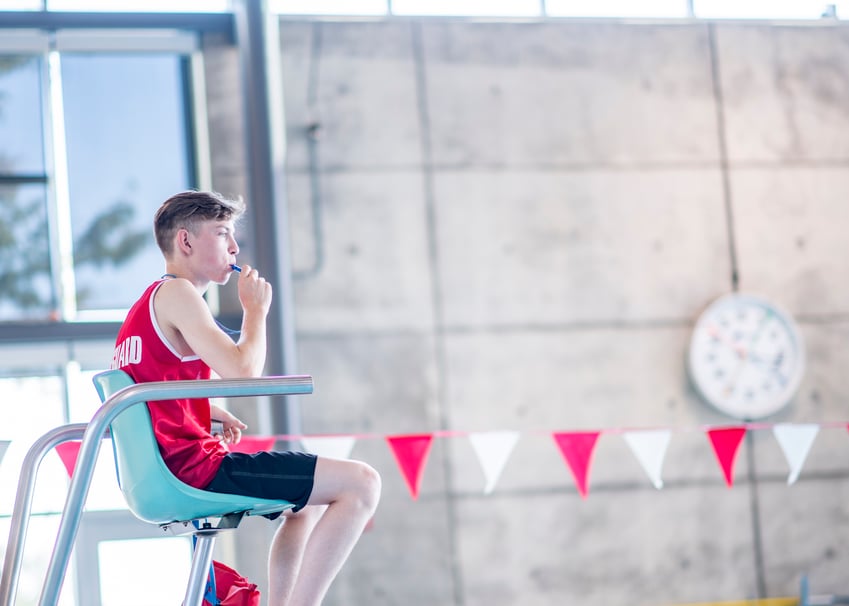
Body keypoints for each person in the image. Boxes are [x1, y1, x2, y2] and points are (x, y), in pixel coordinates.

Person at [110, 190, 381, 606]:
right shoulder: (179, 295)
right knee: (362, 484)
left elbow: (148, 392)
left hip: (161, 472)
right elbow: (243, 374)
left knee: (304, 506)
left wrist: (205, 410)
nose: (235, 247)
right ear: (185, 242)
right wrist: (256, 312)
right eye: (223, 233)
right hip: (190, 470)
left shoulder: (145, 306)